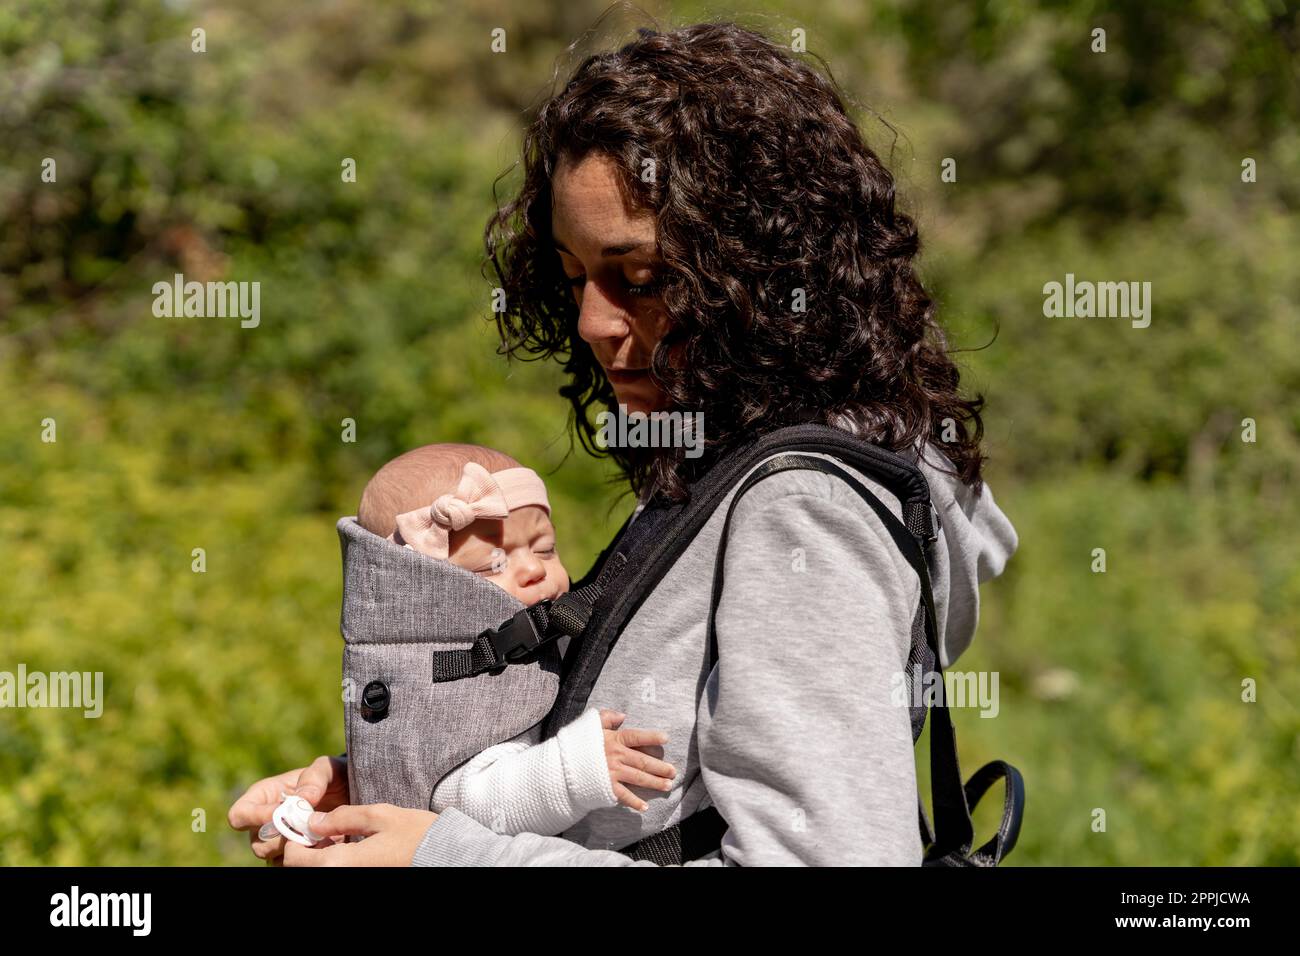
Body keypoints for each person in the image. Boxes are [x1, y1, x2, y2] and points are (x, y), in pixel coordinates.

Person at [228, 20, 1018, 866]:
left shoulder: (804, 507)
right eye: (574, 278)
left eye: (639, 278)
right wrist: (393, 798)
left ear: (759, 270)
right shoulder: (734, 459)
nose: (592, 322)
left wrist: (445, 857)